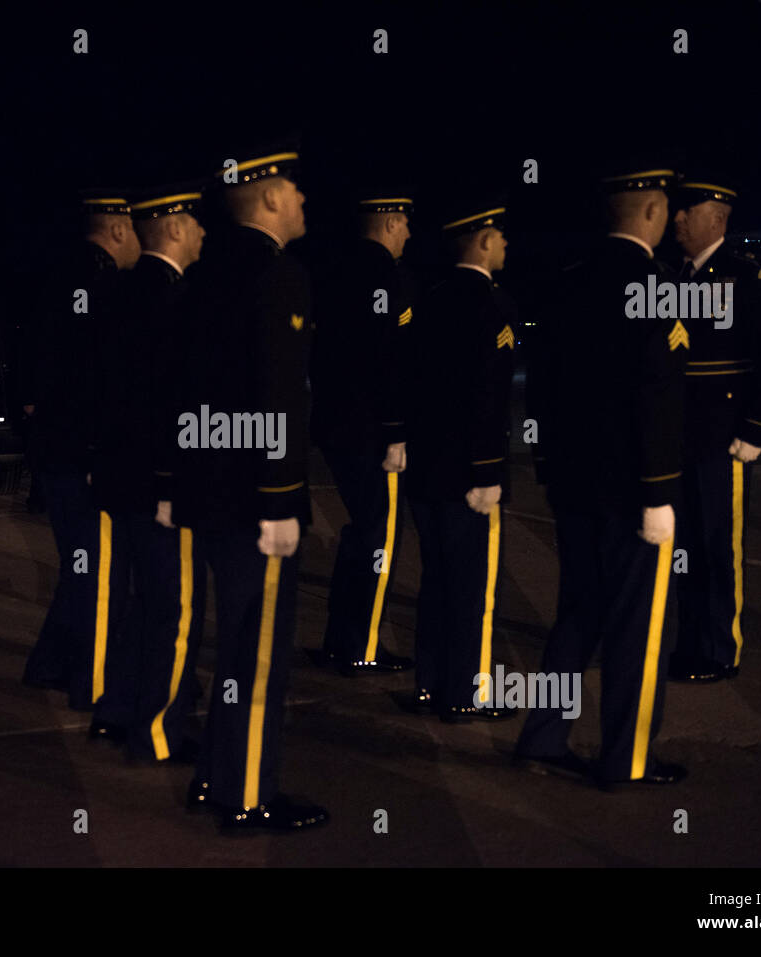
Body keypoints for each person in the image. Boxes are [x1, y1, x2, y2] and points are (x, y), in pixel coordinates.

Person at [516, 166, 689, 788]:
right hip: (630, 490)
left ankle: (542, 736)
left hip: (573, 484)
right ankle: (627, 758)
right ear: (652, 212)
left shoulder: (568, 284)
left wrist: (546, 466)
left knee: (578, 614)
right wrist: (660, 491)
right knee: (639, 629)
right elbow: (657, 396)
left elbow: (541, 388)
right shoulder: (653, 286)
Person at [173, 148, 327, 830]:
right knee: (259, 655)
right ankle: (246, 794)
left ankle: (214, 777)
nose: (302, 202)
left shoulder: (203, 278)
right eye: (294, 189)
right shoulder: (277, 276)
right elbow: (277, 396)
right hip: (254, 499)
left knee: (233, 645)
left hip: (209, 492)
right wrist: (279, 498)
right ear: (267, 197)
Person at [88, 185, 209, 761]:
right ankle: (158, 731)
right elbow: (172, 404)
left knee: (140, 604)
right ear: (177, 228)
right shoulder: (178, 300)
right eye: (197, 223)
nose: (205, 233)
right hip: (163, 484)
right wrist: (172, 482)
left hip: (118, 477)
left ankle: (116, 711)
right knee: (176, 612)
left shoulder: (115, 292)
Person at [666, 176, 761, 683]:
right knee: (685, 550)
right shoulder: (674, 277)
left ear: (717, 217)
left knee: (719, 548)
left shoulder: (749, 275)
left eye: (688, 211)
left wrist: (756, 430)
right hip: (681, 440)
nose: (678, 219)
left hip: (725, 441)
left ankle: (720, 650)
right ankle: (689, 642)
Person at [22, 193, 140, 711]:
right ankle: (93, 682)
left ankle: (50, 663)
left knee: (82, 566)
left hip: (61, 451)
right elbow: (94, 383)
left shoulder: (62, 278)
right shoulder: (101, 285)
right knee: (98, 572)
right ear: (117, 229)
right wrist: (99, 454)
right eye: (136, 227)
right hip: (84, 456)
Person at [404, 201, 516, 719]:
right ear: (484, 242)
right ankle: (467, 692)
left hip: (426, 470)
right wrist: (489, 470)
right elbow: (488, 398)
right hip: (468, 473)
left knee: (436, 581)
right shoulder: (488, 306)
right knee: (471, 589)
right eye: (500, 237)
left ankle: (428, 682)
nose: (506, 246)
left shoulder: (428, 300)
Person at [310, 194, 415, 674]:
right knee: (377, 537)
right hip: (370, 431)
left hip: (336, 424)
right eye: (405, 225)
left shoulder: (338, 270)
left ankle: (341, 638)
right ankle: (362, 644)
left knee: (359, 534)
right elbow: (388, 360)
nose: (409, 235)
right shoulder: (383, 275)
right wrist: (396, 430)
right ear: (391, 223)